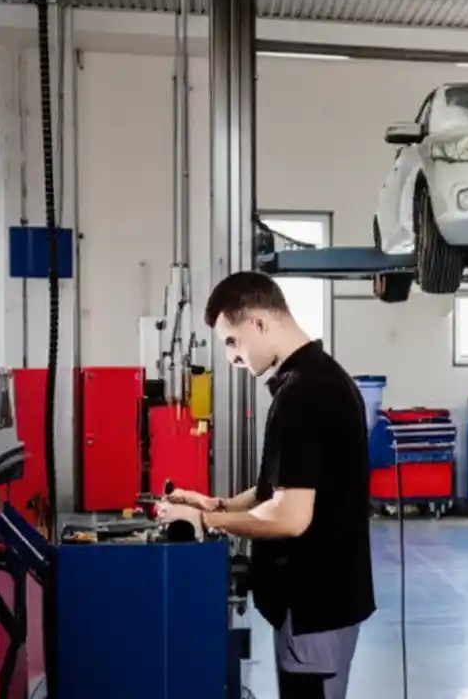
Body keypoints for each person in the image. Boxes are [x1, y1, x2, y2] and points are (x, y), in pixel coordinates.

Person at [156, 271, 375, 699]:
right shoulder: (312, 380)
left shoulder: (306, 393)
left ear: (259, 323)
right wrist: (215, 504)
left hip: (316, 604)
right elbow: (273, 491)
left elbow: (291, 517)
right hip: (315, 600)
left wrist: (206, 520)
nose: (231, 358)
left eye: (232, 342)